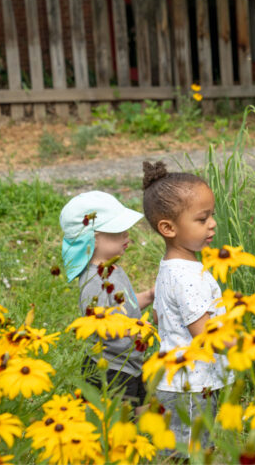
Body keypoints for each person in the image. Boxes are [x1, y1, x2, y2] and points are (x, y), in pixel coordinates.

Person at [142, 160, 232, 455]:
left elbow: (159, 315)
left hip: (180, 380)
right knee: (189, 451)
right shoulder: (188, 275)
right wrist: (247, 348)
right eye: (202, 218)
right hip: (192, 386)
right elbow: (205, 335)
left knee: (182, 447)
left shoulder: (171, 266)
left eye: (212, 216)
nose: (213, 223)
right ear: (168, 228)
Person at [60, 190, 154, 408]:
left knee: (141, 405)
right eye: (119, 233)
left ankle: (144, 438)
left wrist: (148, 296)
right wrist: (133, 328)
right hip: (110, 370)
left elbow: (124, 308)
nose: (127, 238)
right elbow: (100, 326)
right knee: (116, 421)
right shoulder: (94, 281)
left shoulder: (112, 269)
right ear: (93, 239)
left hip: (128, 363)